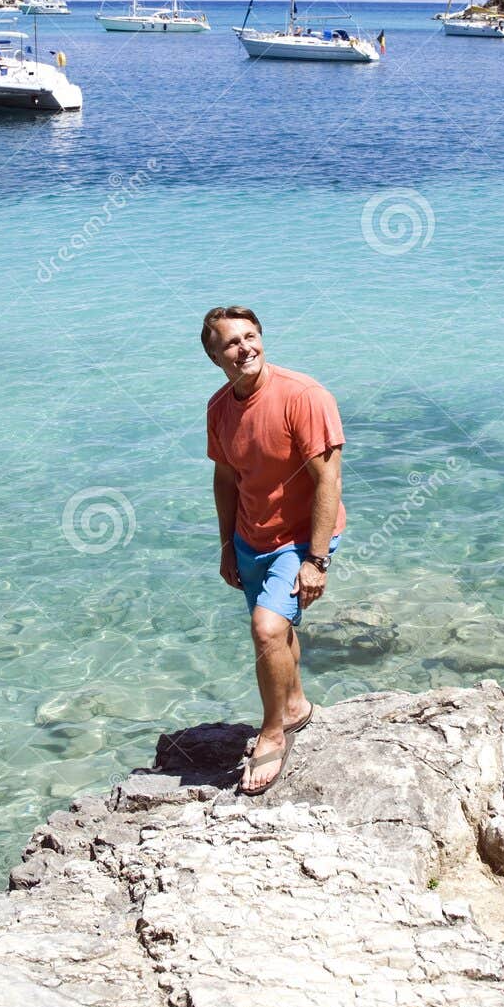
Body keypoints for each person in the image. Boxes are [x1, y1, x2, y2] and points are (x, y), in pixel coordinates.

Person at [202, 306, 345, 794]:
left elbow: (329, 479)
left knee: (265, 628)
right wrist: (226, 544)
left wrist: (316, 560)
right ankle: (296, 706)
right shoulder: (220, 407)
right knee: (276, 632)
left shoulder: (303, 396)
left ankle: (271, 733)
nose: (245, 348)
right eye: (231, 343)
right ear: (214, 355)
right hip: (250, 537)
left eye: (251, 336)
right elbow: (225, 478)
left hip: (301, 537)